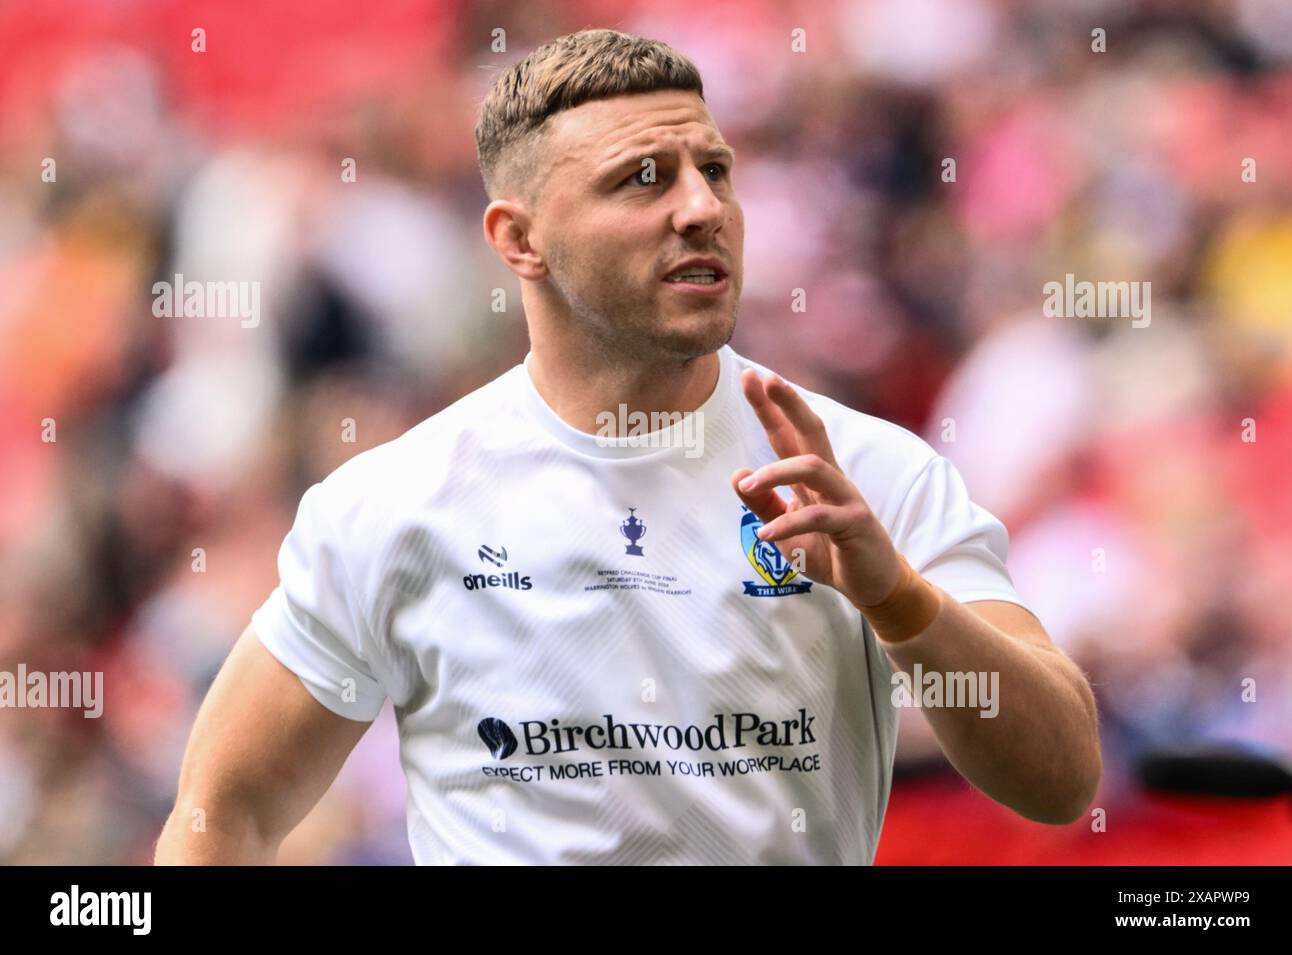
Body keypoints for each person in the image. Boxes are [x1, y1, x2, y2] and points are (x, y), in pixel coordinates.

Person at [155, 28, 1100, 865]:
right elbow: (220, 816)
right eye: (643, 178)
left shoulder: (863, 472)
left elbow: (1061, 781)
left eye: (716, 170)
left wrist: (897, 597)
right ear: (519, 239)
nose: (702, 208)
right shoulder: (393, 505)